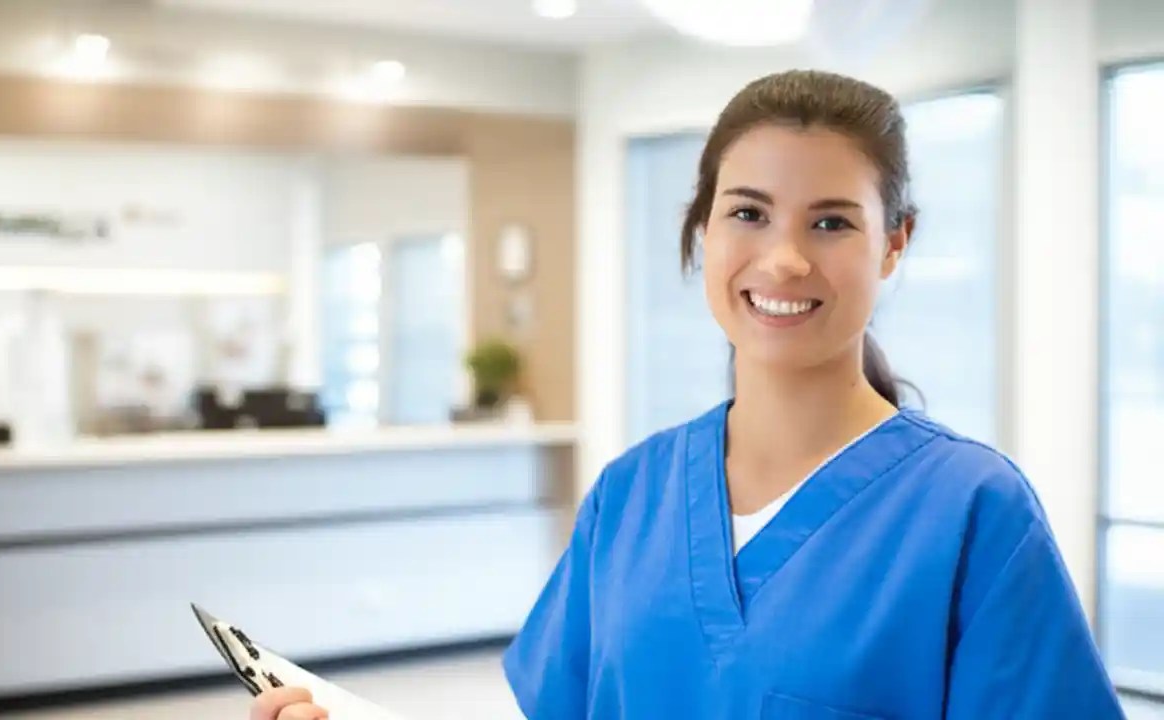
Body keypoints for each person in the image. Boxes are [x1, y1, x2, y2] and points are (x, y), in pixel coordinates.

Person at [250, 70, 1124, 720]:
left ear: (896, 243)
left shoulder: (972, 512)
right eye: (748, 213)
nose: (784, 259)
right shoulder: (631, 495)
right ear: (703, 227)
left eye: (831, 222)